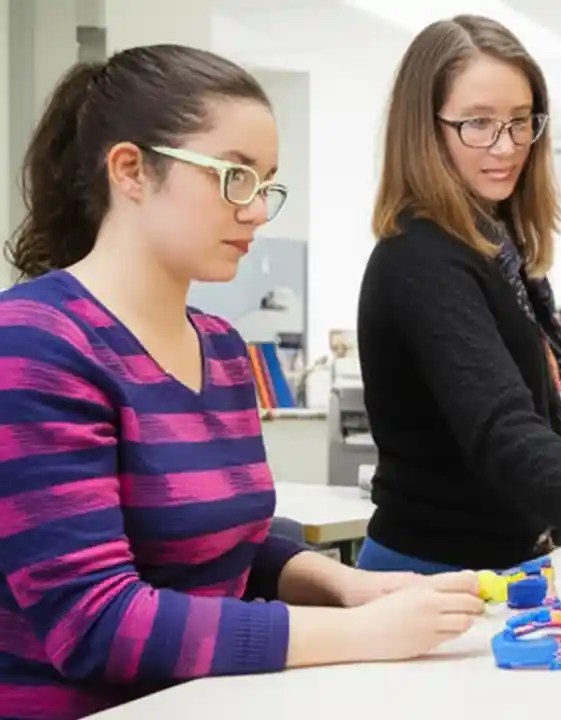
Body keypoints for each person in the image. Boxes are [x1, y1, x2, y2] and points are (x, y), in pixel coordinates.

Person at [0, 45, 484, 720]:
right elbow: (96, 623)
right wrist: (359, 634)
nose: (257, 210)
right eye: (234, 177)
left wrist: (345, 585)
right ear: (131, 171)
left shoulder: (222, 348)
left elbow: (222, 547)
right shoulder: (35, 342)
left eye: (266, 184)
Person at [355, 15, 561, 631]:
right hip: (429, 578)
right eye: (477, 123)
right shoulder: (419, 254)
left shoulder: (501, 249)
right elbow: (501, 427)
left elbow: (541, 422)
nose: (505, 146)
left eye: (520, 120)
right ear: (424, 130)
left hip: (508, 570)